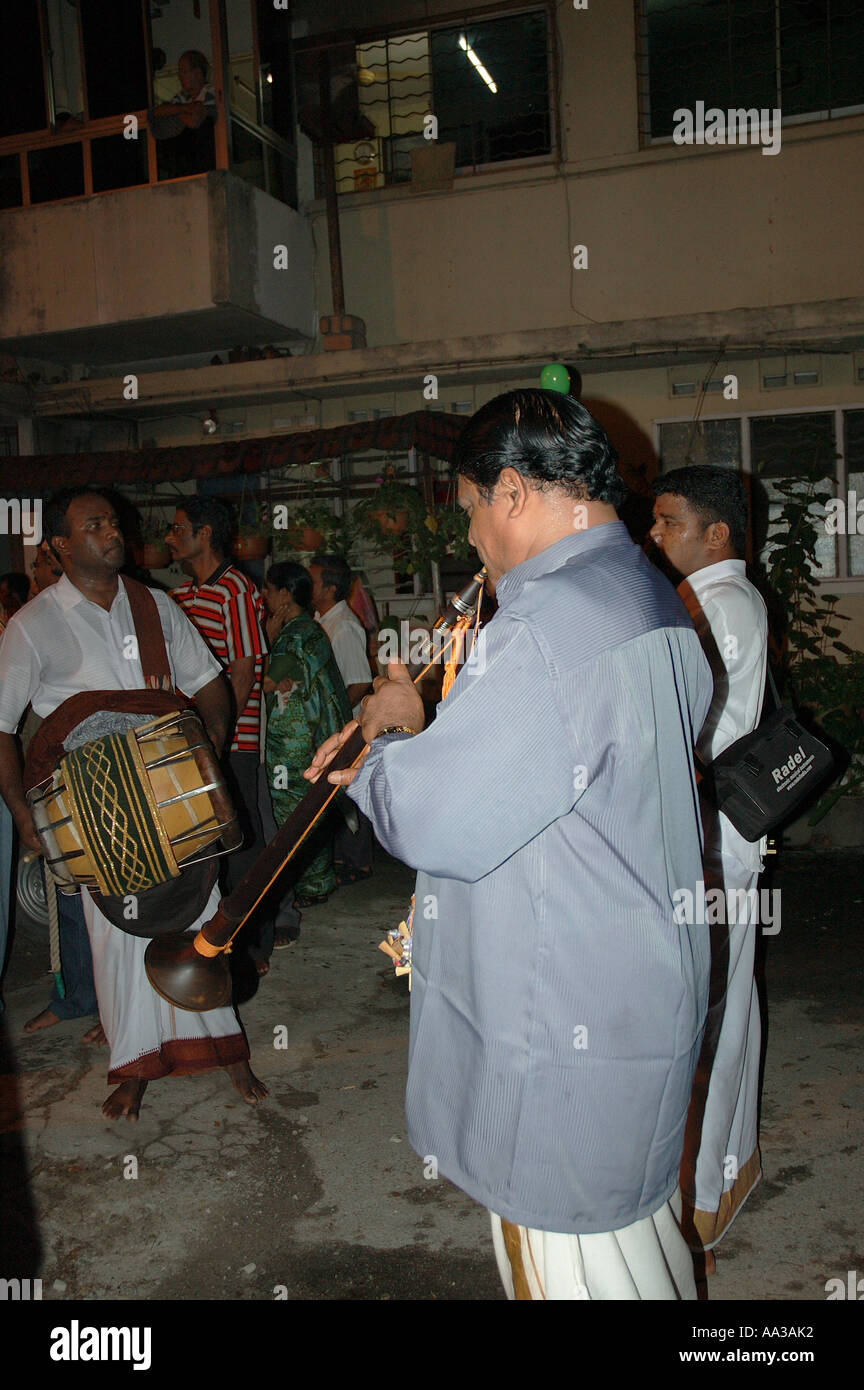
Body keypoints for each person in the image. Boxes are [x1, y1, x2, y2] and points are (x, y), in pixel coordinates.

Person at [307, 389, 715, 1301]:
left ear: (514, 492)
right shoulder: (647, 590)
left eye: (470, 513)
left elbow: (439, 818)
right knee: (635, 1244)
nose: (472, 541)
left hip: (562, 1010)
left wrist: (388, 744)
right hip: (634, 980)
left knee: (567, 1263)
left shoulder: (548, 626)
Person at [0, 488, 266, 1119]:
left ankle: (228, 1050)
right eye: (94, 525)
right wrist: (20, 815)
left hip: (174, 798)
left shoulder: (155, 605)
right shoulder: (32, 624)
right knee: (117, 942)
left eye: (113, 522)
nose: (111, 532)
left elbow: (209, 682)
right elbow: (3, 725)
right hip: (98, 817)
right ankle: (135, 1066)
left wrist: (210, 761)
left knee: (201, 925)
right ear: (61, 545)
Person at [650, 466, 768, 1262]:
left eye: (668, 523)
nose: (654, 537)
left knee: (708, 1024)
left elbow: (691, 732)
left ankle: (701, 1205)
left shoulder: (717, 608)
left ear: (715, 533)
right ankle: (727, 1171)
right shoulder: (723, 600)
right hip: (723, 844)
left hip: (713, 848)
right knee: (731, 1013)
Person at [166, 498, 273, 968]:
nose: (169, 538)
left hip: (233, 741)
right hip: (197, 740)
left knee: (242, 841)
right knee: (205, 841)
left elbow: (245, 670)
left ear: (204, 534)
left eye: (177, 529)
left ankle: (253, 943)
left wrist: (221, 739)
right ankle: (214, 938)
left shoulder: (235, 590)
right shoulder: (180, 596)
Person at [262, 562, 352, 909]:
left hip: (292, 743)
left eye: (269, 590)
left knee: (293, 813)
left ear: (285, 594)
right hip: (310, 737)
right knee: (308, 809)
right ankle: (317, 881)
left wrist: (268, 642)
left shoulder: (293, 635)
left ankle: (310, 885)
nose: (265, 597)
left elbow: (268, 681)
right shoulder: (311, 631)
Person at [309, 554, 374, 885]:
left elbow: (360, 682)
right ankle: (345, 858)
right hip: (336, 724)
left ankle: (357, 862)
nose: (308, 587)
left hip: (346, 725)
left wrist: (332, 716)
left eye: (314, 580)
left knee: (348, 787)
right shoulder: (325, 621)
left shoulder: (344, 625)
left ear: (330, 588)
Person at [149, 50, 216, 177]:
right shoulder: (183, 96)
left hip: (205, 163)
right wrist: (183, 110)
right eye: (179, 72)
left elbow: (195, 121)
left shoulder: (211, 92)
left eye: (183, 72)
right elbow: (157, 112)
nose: (179, 76)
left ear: (198, 73)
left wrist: (176, 115)